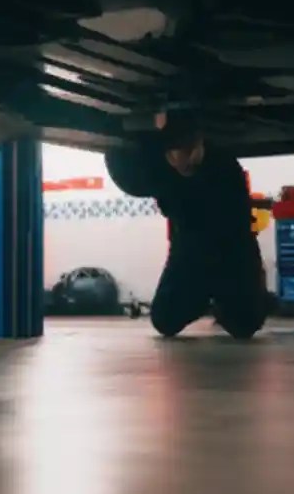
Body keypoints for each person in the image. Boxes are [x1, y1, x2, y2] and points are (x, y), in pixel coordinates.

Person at [105, 112, 272, 339]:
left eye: (187, 156)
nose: (182, 162)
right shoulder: (159, 173)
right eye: (175, 157)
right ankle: (207, 298)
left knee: (245, 324)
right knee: (164, 321)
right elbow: (130, 179)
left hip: (231, 250)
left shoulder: (223, 170)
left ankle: (222, 300)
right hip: (192, 252)